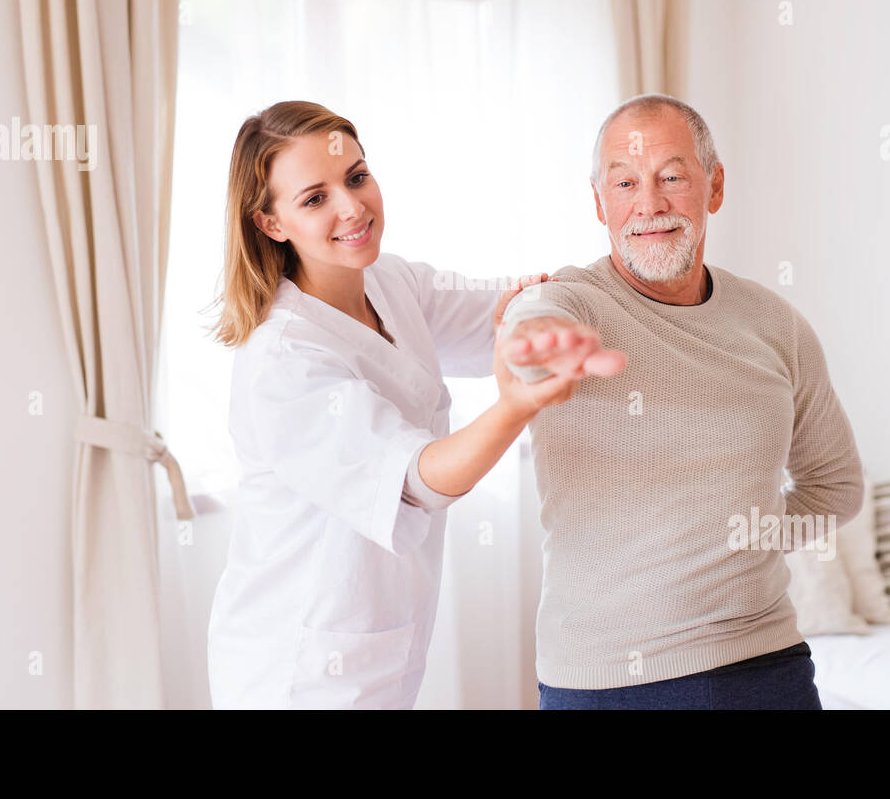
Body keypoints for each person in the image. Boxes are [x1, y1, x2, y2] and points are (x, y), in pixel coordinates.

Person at [205, 100, 623, 709]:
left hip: (374, 646)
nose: (352, 207)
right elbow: (415, 481)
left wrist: (554, 320)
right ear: (270, 223)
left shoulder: (391, 282)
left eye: (356, 177)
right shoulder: (283, 361)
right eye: (315, 198)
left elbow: (499, 315)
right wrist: (515, 405)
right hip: (296, 669)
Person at [499, 93, 864, 710]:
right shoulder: (572, 300)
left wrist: (740, 538)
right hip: (603, 680)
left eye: (672, 177)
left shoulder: (775, 324)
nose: (650, 204)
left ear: (714, 186)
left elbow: (835, 486)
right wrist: (533, 340)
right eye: (625, 182)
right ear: (598, 203)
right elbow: (531, 330)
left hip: (764, 664)